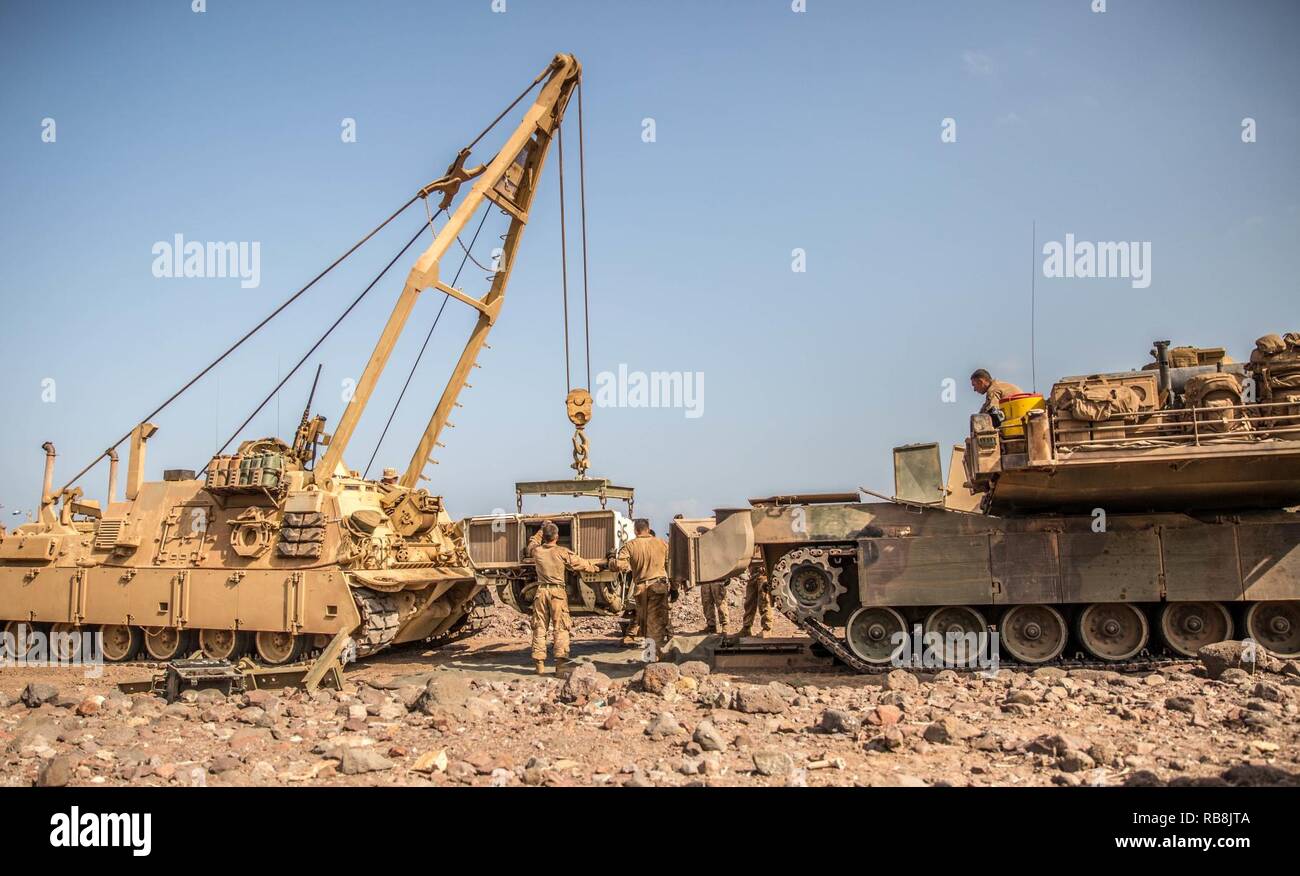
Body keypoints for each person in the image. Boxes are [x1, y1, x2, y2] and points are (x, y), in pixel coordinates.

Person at [526, 520, 600, 676]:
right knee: (561, 627)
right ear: (557, 537)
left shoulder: (537, 551)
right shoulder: (562, 552)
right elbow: (580, 564)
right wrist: (595, 568)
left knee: (539, 627)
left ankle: (539, 665)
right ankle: (560, 666)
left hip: (541, 592)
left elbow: (531, 545)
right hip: (557, 593)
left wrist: (541, 530)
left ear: (544, 537)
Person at [609, 518, 672, 658]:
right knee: (657, 624)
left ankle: (650, 658)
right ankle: (658, 658)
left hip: (640, 590)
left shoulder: (630, 545)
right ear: (648, 529)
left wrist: (612, 559)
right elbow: (671, 565)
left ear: (635, 531)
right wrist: (674, 588)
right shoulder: (662, 543)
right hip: (658, 586)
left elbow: (621, 566)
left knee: (644, 625)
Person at [739, 551, 773, 638]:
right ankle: (746, 628)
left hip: (763, 574)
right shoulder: (752, 545)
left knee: (764, 600)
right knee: (749, 602)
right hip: (753, 574)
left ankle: (767, 628)